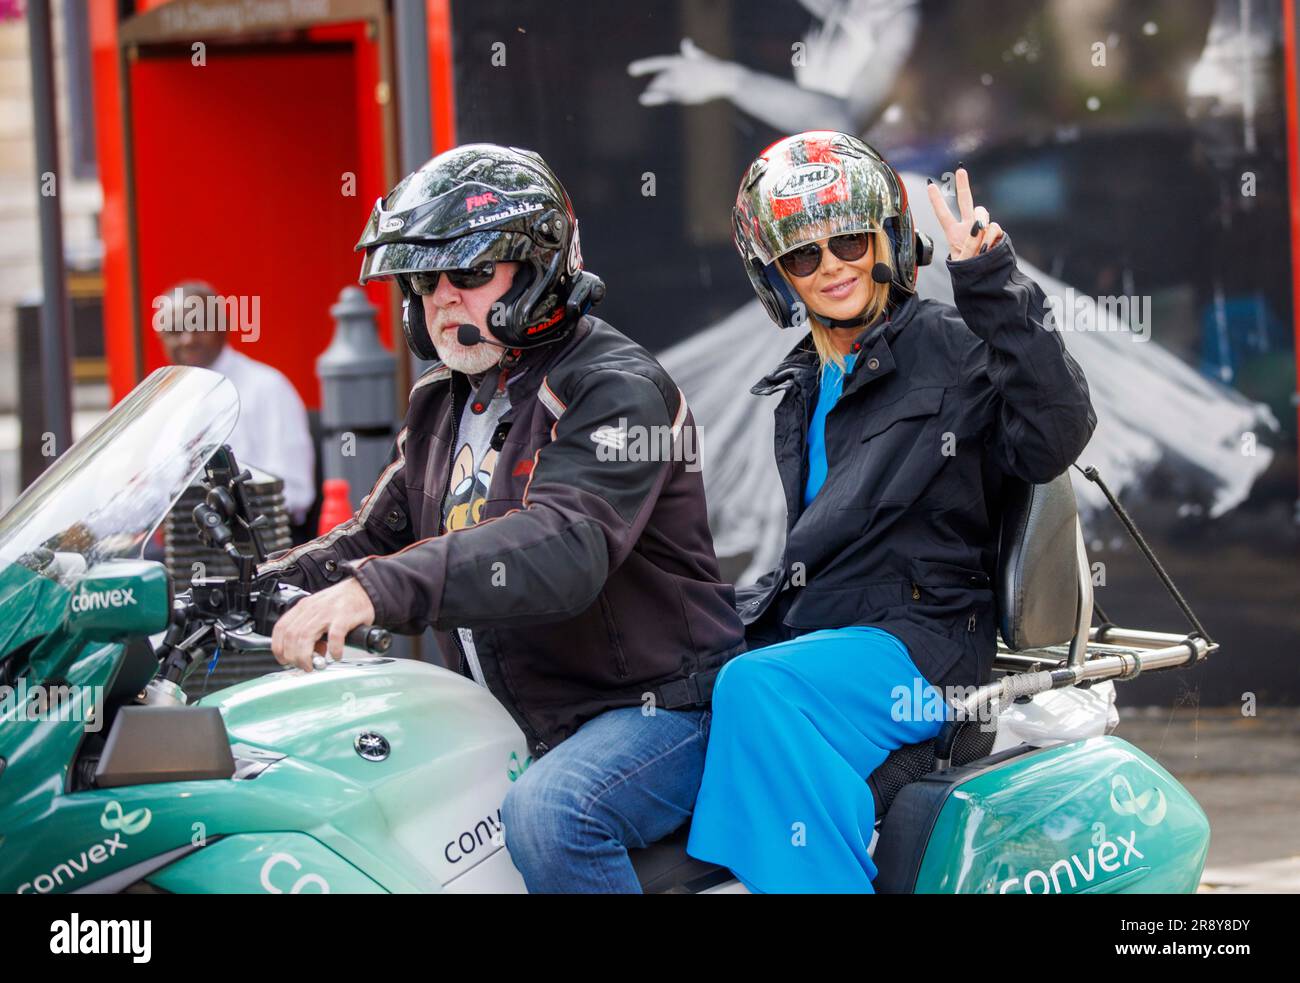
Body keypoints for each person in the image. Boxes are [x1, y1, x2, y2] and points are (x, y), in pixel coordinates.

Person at [260, 143, 746, 893]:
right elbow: (374, 534)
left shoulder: (615, 388)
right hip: (514, 714)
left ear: (541, 267)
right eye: (425, 279)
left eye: (470, 272)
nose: (444, 297)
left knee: (553, 814)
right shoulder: (445, 399)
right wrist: (248, 588)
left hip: (660, 709)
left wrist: (377, 590)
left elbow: (563, 544)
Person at [686, 131, 1096, 892]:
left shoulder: (949, 343)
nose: (832, 265)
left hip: (926, 642)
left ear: (889, 239)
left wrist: (991, 281)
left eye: (848, 239)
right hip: (836, 639)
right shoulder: (804, 384)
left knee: (756, 687)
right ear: (776, 277)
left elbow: (1055, 432)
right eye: (803, 255)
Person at [153, 280, 316, 524]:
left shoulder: (267, 387)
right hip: (183, 542)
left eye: (198, 326)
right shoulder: (168, 399)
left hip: (257, 542)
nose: (187, 339)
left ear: (223, 326)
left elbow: (293, 492)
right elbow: (152, 490)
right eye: (175, 331)